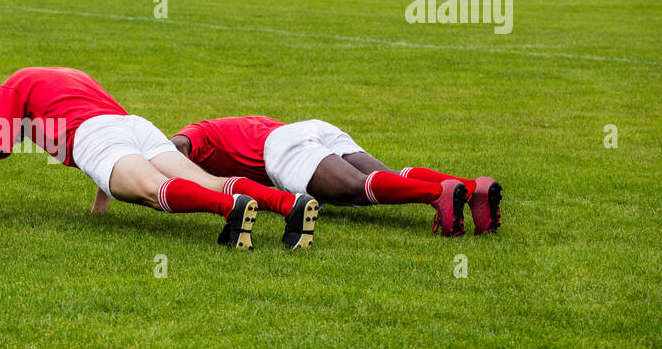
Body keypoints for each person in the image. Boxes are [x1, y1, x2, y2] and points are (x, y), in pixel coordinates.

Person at [0, 68, 319, 249]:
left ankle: (230, 209)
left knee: (154, 190)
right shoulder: (73, 78)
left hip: (95, 134)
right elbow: (114, 143)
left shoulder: (9, 89)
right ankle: (290, 204)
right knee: (210, 180)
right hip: (133, 124)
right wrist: (98, 209)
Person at [172, 116, 500, 236]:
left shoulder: (191, 136)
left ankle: (436, 194)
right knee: (389, 176)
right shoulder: (225, 127)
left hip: (281, 147)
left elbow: (178, 146)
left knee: (356, 189)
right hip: (310, 129)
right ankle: (473, 188)